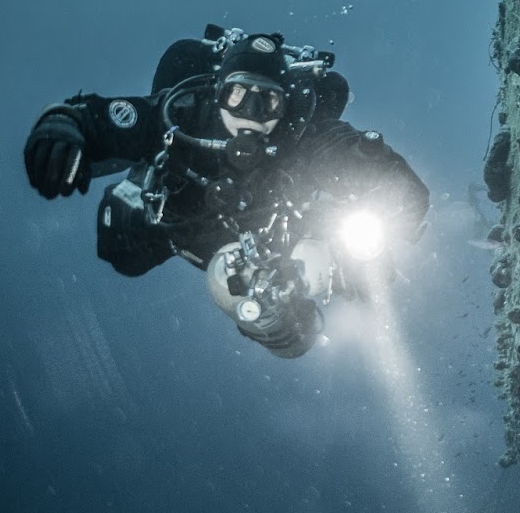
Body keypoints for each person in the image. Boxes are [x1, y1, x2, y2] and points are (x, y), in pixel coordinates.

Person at [23, 26, 431, 358]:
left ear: (285, 106)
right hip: (181, 224)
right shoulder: (181, 116)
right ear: (216, 93)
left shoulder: (306, 140)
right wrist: (61, 126)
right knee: (124, 252)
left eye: (267, 102)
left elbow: (387, 178)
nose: (250, 117)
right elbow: (95, 118)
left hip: (276, 241)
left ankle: (301, 293)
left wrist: (389, 214)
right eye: (237, 96)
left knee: (322, 313)